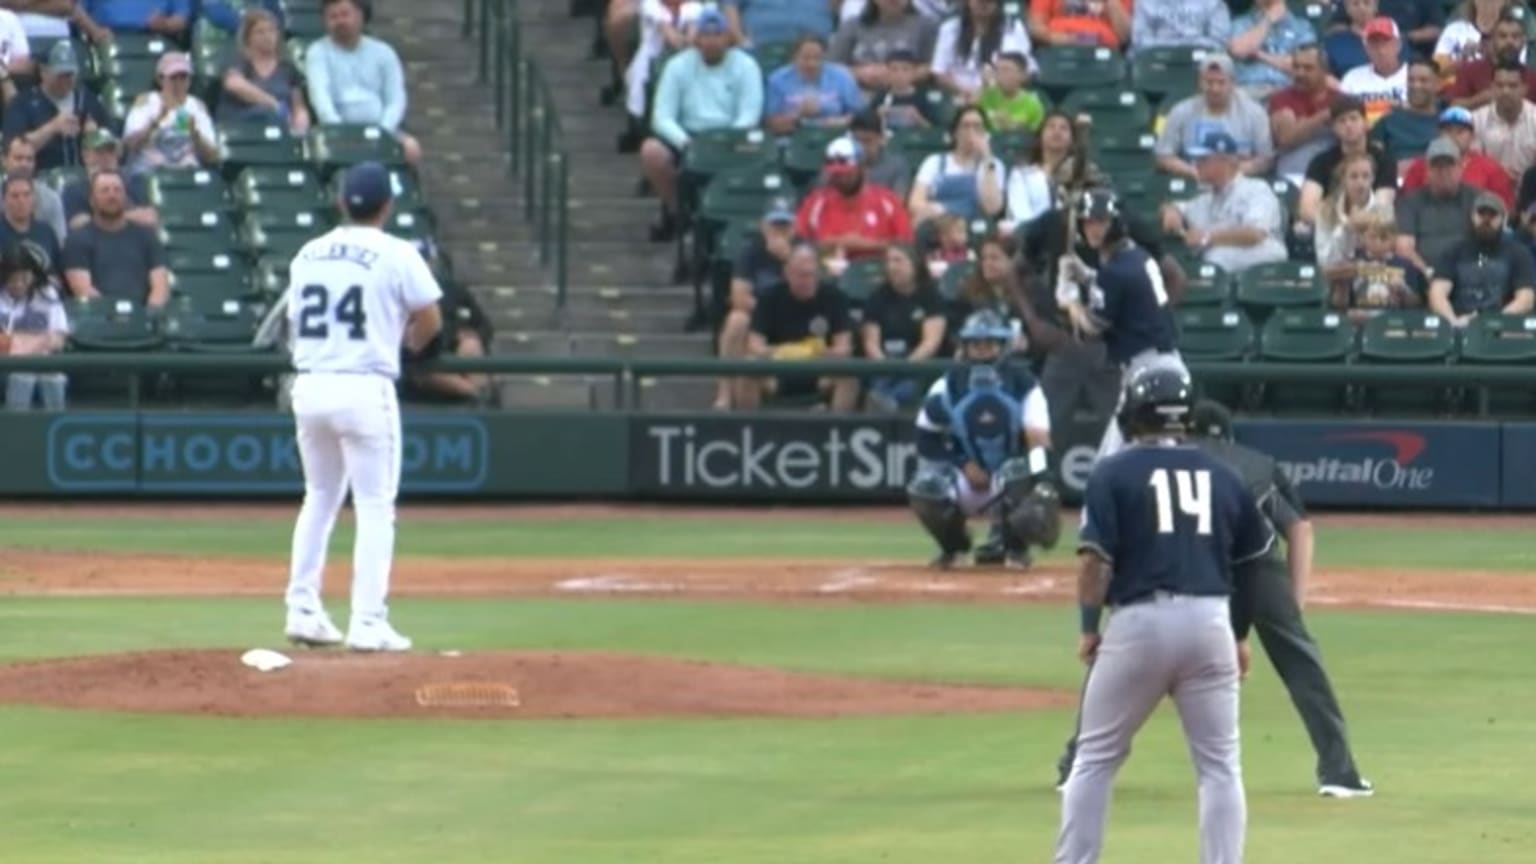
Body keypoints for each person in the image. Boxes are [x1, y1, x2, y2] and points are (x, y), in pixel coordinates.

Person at [1055, 366, 1273, 864]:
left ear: (1134, 413)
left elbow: (1094, 562)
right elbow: (1253, 559)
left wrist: (1089, 628)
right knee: (1220, 768)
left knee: (1094, 759)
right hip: (1211, 620)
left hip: (1140, 624)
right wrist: (1239, 634)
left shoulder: (1112, 471)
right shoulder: (1224, 473)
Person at [282, 160, 445, 653]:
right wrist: (409, 345)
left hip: (310, 384)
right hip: (363, 385)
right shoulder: (397, 251)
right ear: (388, 204)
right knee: (374, 507)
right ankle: (368, 620)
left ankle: (303, 608)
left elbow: (294, 320)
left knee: (319, 497)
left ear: (341, 202)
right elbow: (431, 319)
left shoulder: (308, 252)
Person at [1185, 400, 1374, 798]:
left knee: (1133, 659)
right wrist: (1293, 604)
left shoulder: (1168, 462)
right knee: (1303, 668)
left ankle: (1077, 762)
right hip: (1259, 570)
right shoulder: (1258, 463)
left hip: (1190, 568)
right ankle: (1340, 773)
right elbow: (1300, 529)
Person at [905, 309, 1057, 569]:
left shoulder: (1025, 385)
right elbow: (926, 438)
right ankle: (955, 547)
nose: (982, 351)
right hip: (967, 476)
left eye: (989, 344)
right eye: (976, 345)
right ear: (965, 347)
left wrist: (1043, 482)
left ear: (1003, 346)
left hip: (1009, 476)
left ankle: (1014, 546)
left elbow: (1038, 441)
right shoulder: (948, 386)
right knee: (925, 487)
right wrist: (963, 464)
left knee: (1020, 474)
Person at [1054, 187, 1182, 459]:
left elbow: (1090, 331)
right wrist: (1087, 276)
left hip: (1150, 372)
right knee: (1121, 461)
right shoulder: (1137, 256)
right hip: (1157, 368)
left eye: (1101, 221)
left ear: (1116, 223)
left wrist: (1070, 301)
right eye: (1089, 222)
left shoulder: (1115, 271)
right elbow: (1120, 290)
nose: (1094, 229)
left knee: (1145, 461)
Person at [640, 7, 764, 241]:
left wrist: (726, 141)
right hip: (689, 138)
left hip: (731, 140)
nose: (711, 41)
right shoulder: (677, 66)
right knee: (651, 151)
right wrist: (685, 142)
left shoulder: (747, 66)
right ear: (696, 38)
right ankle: (678, 212)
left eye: (717, 35)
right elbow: (662, 116)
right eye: (706, 35)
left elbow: (749, 114)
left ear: (727, 37)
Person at [721, 243, 858, 411]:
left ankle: (839, 429)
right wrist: (783, 352)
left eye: (810, 275)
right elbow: (755, 345)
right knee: (749, 368)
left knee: (849, 373)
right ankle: (749, 429)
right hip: (777, 373)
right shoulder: (769, 297)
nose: (806, 281)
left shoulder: (835, 297)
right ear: (788, 274)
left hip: (819, 372)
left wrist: (815, 352)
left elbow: (843, 347)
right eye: (800, 275)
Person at [306, 0, 422, 164]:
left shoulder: (384, 52)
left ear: (360, 16)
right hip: (337, 132)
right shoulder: (317, 52)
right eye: (333, 17)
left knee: (411, 147)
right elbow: (320, 97)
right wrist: (341, 132)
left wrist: (384, 129)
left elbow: (396, 99)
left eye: (345, 15)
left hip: (381, 127)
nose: (340, 22)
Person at [1160, 131, 1289, 274]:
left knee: (1216, 258)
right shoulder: (1206, 198)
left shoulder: (1256, 189)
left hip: (1262, 256)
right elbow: (1176, 206)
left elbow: (1255, 234)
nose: (1196, 164)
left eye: (1203, 159)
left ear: (1226, 162)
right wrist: (1171, 211)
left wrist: (1206, 237)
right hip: (1222, 262)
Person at [1155, 53, 1275, 179]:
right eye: (1209, 82)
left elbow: (1266, 159)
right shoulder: (1181, 111)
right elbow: (1163, 157)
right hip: (1193, 179)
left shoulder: (1254, 113)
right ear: (1199, 82)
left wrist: (1228, 172)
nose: (1214, 89)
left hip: (1239, 181)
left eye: (1221, 82)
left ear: (1232, 83)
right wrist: (1192, 172)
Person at [794, 135, 913, 262]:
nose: (840, 179)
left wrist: (862, 244)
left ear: (862, 168)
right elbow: (799, 244)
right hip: (826, 273)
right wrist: (840, 243)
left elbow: (905, 245)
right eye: (836, 174)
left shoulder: (887, 201)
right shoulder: (816, 201)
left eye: (846, 174)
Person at [61, 170, 169, 307]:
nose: (112, 195)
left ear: (125, 197)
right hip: (99, 318)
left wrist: (147, 316)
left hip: (142, 318)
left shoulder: (147, 236)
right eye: (104, 190)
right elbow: (83, 289)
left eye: (117, 190)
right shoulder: (77, 240)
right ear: (92, 200)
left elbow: (160, 286)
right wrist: (113, 315)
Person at [1427, 190, 1536, 325]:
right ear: (1472, 216)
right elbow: (1437, 294)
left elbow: (1526, 299)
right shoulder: (1453, 251)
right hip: (1458, 323)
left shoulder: (1519, 253)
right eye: (1481, 213)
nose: (1486, 219)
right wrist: (1453, 322)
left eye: (1492, 214)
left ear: (1503, 219)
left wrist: (1494, 322)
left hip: (1503, 326)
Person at [3, 41, 115, 172]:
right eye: (60, 75)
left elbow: (118, 147)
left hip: (85, 179)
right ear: (44, 72)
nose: (66, 80)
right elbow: (13, 149)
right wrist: (52, 128)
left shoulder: (86, 100)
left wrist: (96, 136)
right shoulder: (23, 102)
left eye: (70, 75)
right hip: (38, 180)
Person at [861, 244, 947, 413]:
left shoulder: (930, 296)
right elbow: (871, 342)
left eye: (898, 261)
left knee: (910, 385)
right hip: (884, 364)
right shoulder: (877, 296)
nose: (892, 266)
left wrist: (907, 367)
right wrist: (885, 367)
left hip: (918, 363)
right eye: (888, 261)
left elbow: (931, 342)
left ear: (914, 264)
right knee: (878, 385)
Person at [1297, 95, 1397, 227]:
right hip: (1331, 228)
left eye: (1354, 119)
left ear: (1366, 123)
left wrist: (1358, 222)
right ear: (1334, 128)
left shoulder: (1384, 160)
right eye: (1341, 121)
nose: (1348, 125)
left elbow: (1383, 205)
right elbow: (1307, 209)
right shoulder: (1320, 161)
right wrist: (1343, 223)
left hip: (1371, 230)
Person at [1395, 135, 1483, 275]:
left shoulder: (1478, 199)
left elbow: (1488, 244)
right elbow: (1404, 248)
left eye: (1449, 165)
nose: (1443, 172)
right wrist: (1428, 273)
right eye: (1437, 166)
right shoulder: (1410, 202)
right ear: (1427, 170)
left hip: (1471, 274)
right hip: (1424, 276)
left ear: (1461, 167)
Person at [216, 7, 313, 132]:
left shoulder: (288, 69)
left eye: (271, 31)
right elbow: (234, 84)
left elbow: (298, 107)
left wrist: (300, 125)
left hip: (279, 130)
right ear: (248, 37)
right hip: (241, 127)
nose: (267, 36)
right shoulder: (238, 61)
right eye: (260, 32)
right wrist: (273, 104)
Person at [122, 52, 220, 173]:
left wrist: (195, 134)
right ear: (160, 79)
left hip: (187, 174)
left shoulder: (196, 106)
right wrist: (155, 122)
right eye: (173, 78)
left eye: (183, 77)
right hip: (148, 173)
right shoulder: (146, 101)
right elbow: (131, 145)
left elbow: (211, 156)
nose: (179, 83)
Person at [908, 106, 1006, 224]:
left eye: (977, 126)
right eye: (966, 126)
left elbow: (992, 208)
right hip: (939, 223)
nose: (971, 132)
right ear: (955, 133)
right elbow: (915, 202)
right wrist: (942, 214)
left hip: (975, 225)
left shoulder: (993, 165)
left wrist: (987, 156)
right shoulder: (934, 162)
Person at [0, 241, 67, 412]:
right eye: (13, 279)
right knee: (22, 376)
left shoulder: (47, 294)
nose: (19, 284)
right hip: (6, 363)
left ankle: (54, 422)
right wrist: (38, 341)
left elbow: (58, 338)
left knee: (55, 377)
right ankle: (16, 428)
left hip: (41, 362)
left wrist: (22, 343)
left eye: (24, 278)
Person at [1399, 106, 1514, 205]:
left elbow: (1505, 207)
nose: (1453, 136)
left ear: (1472, 136)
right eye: (1448, 131)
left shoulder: (1491, 168)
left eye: (1460, 131)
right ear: (1439, 134)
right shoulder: (1421, 166)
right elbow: (1407, 203)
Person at [1004, 110, 1098, 226]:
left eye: (1063, 128)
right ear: (1040, 135)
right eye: (1051, 126)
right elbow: (1020, 214)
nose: (1057, 131)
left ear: (1072, 139)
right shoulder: (1022, 174)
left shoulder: (1083, 172)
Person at [931, 0, 1034, 101]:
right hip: (957, 96)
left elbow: (1026, 70)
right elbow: (940, 72)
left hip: (999, 98)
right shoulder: (950, 29)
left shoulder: (1013, 28)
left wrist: (988, 91)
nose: (984, 4)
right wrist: (965, 92)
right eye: (979, 1)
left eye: (989, 1)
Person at [763, 34, 864, 136]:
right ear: (794, 57)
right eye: (805, 58)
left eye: (817, 58)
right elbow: (771, 122)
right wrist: (797, 115)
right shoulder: (778, 79)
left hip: (835, 133)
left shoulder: (842, 76)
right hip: (792, 136)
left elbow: (859, 117)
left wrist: (840, 122)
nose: (812, 64)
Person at [1268, 44, 1338, 187]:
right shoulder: (1281, 98)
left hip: (1332, 175)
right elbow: (1286, 137)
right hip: (1293, 174)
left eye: (1308, 68)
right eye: (1296, 67)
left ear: (1324, 71)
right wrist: (1326, 115)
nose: (1300, 73)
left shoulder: (1339, 98)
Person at [829, 0, 939, 89]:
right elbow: (832, 67)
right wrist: (859, 73)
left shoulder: (925, 26)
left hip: (908, 94)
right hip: (860, 93)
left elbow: (933, 66)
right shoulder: (853, 26)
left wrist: (902, 75)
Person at [61, 129, 155, 230]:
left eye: (110, 151)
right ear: (85, 156)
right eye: (99, 152)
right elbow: (78, 224)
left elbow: (149, 218)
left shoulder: (133, 183)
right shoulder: (74, 190)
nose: (106, 157)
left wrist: (102, 219)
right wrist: (126, 217)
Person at [1314, 151, 1395, 269]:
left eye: (1365, 176)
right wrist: (1347, 227)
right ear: (1343, 179)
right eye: (1354, 176)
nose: (1360, 183)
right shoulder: (1325, 210)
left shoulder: (1384, 210)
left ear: (1373, 179)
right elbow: (1324, 260)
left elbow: (1390, 254)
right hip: (1336, 278)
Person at [1334, 218, 1427, 319]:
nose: (1378, 242)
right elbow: (1341, 302)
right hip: (1360, 318)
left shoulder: (1405, 265)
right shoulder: (1353, 263)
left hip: (1392, 319)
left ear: (1393, 239)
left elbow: (1416, 303)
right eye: (1373, 237)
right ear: (1363, 237)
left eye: (1383, 237)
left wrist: (1402, 290)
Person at [1226, 0, 1319, 101]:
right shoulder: (1240, 23)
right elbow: (1238, 50)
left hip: (1287, 91)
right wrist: (1268, 20)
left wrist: (1259, 54)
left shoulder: (1301, 27)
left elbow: (1305, 66)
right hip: (1249, 90)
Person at [1444, 12, 1536, 109]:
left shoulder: (1533, 78)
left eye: (1515, 36)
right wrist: (1480, 99)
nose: (1509, 41)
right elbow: (1453, 107)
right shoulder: (1469, 70)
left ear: (1523, 41)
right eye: (1503, 36)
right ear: (1493, 40)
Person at [1370, 57, 1445, 168]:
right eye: (1411, 80)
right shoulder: (1388, 120)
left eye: (1423, 80)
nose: (1416, 85)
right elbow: (1373, 161)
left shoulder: (1448, 121)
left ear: (1438, 84)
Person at [1471, 60, 1536, 181]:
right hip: (1489, 189)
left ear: (1524, 89)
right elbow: (1474, 164)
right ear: (1492, 87)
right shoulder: (1476, 120)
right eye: (1500, 85)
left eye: (1513, 86)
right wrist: (1499, 174)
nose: (1505, 91)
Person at [1340, 16, 1410, 127]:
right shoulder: (1352, 78)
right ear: (1366, 48)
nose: (1381, 50)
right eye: (1374, 44)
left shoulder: (1415, 74)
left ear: (1398, 44)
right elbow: (1342, 116)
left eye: (1386, 42)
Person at [869, 48, 945, 131]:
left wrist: (917, 118)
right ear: (887, 72)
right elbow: (867, 125)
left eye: (905, 69)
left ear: (913, 72)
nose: (899, 74)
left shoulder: (924, 98)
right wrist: (877, 116)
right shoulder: (881, 96)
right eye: (894, 69)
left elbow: (936, 132)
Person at [846, 107, 913, 198]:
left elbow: (897, 203)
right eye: (856, 141)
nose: (861, 147)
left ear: (880, 138)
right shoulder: (839, 162)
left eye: (867, 141)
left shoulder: (897, 165)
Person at [0, 175, 58, 275]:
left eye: (26, 195)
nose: (21, 201)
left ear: (34, 198)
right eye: (15, 196)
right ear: (4, 200)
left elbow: (56, 272)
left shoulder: (47, 231)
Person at [975, 52, 1044, 132]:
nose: (1000, 75)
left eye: (1006, 70)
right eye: (997, 70)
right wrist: (983, 86)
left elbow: (1035, 136)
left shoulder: (1033, 105)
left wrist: (1010, 126)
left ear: (1022, 75)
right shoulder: (986, 94)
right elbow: (967, 113)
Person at [1130, 0, 1231, 52]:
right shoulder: (1145, 2)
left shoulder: (1213, 2)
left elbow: (1219, 42)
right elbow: (1140, 41)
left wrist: (1184, 50)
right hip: (1157, 61)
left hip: (1199, 63)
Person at [1028, 0, 1130, 50]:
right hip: (1058, 50)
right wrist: (1074, 39)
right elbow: (1036, 29)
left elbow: (1123, 37)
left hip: (1103, 53)